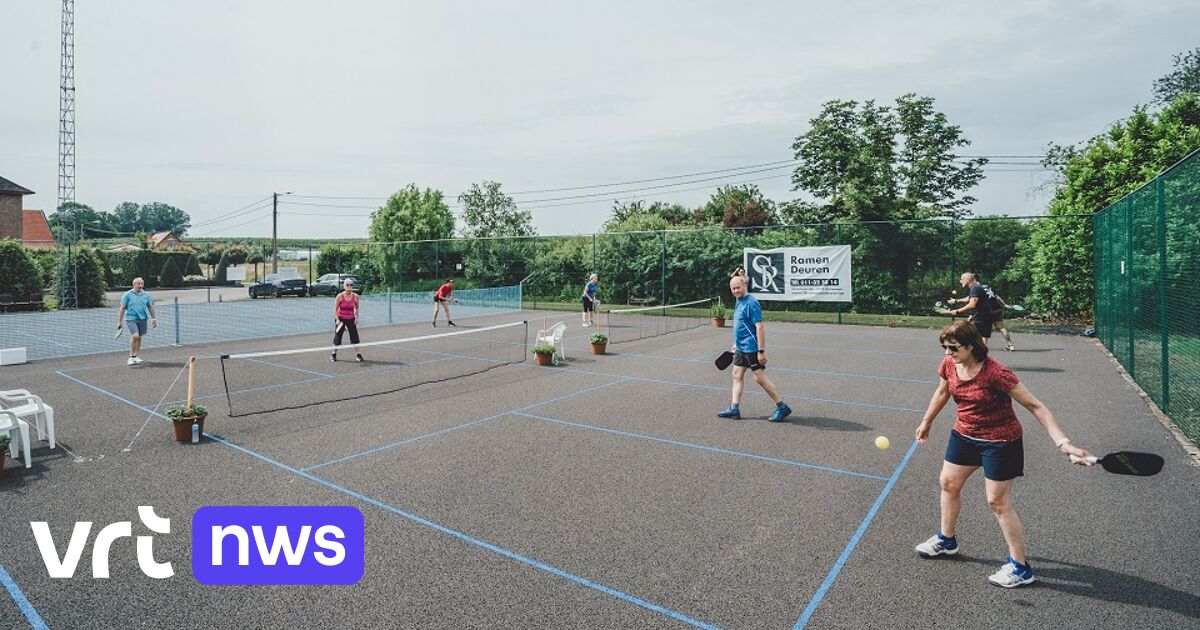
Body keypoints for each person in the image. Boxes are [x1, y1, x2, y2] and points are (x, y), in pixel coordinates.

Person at [913, 320, 1093, 588]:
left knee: (997, 501)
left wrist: (1063, 443)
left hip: (1000, 441)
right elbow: (942, 391)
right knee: (948, 483)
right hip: (964, 435)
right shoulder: (950, 364)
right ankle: (946, 540)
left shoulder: (996, 373)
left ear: (972, 346)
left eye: (953, 348)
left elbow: (1036, 407)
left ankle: (1020, 567)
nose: (947, 353)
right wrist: (927, 421)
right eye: (944, 347)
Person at [716, 274, 792, 422]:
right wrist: (736, 343)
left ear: (745, 286)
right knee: (736, 375)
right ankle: (734, 408)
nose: (735, 291)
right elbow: (742, 324)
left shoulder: (752, 303)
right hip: (740, 347)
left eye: (738, 287)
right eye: (733, 288)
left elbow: (759, 327)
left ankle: (782, 407)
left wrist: (761, 351)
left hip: (751, 348)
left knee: (759, 378)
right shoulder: (739, 300)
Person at [116, 277, 157, 367]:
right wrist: (119, 321)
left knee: (140, 337)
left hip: (143, 319)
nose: (140, 285)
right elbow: (122, 308)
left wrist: (153, 319)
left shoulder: (146, 295)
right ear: (134, 284)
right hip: (131, 319)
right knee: (135, 336)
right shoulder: (127, 295)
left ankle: (136, 356)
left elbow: (150, 307)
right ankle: (131, 357)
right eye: (138, 284)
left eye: (142, 284)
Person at [945, 273, 994, 347]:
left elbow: (972, 304)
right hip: (984, 316)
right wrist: (955, 301)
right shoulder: (976, 287)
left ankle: (973, 355)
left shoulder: (975, 288)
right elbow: (969, 299)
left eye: (962, 279)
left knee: (968, 336)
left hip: (982, 317)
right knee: (980, 339)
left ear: (968, 280)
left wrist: (958, 311)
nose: (960, 281)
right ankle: (982, 355)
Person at [331, 279, 363, 362]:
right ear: (344, 286)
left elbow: (356, 308)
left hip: (351, 318)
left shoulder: (356, 296)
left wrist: (356, 317)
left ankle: (358, 355)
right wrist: (337, 319)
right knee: (338, 337)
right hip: (341, 318)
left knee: (355, 337)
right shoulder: (339, 296)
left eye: (351, 285)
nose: (349, 287)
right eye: (347, 285)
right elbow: (335, 309)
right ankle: (333, 354)